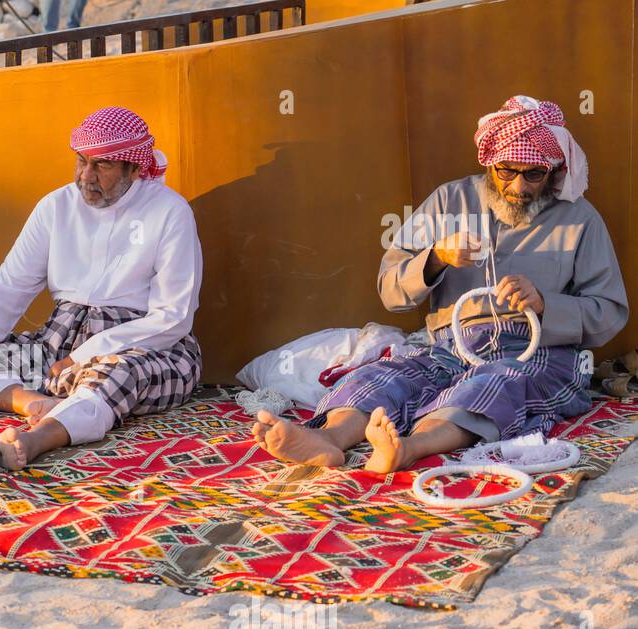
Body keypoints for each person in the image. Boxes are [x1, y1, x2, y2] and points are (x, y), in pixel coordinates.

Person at [255, 95, 629, 474]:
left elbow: (609, 312)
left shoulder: (580, 218)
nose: (519, 186)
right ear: (489, 163)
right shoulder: (448, 201)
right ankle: (328, 439)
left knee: (495, 383)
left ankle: (408, 448)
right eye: (506, 171)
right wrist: (435, 258)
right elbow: (390, 288)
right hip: (453, 345)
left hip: (535, 350)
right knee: (385, 376)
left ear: (552, 171)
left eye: (533, 174)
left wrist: (546, 304)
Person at [0, 106, 203, 468]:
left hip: (143, 346)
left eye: (101, 166)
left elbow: (173, 317)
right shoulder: (55, 207)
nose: (86, 176)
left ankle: (35, 440)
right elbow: (9, 290)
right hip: (58, 346)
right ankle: (36, 404)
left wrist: (87, 354)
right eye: (81, 162)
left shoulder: (170, 212)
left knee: (115, 375)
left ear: (135, 169)